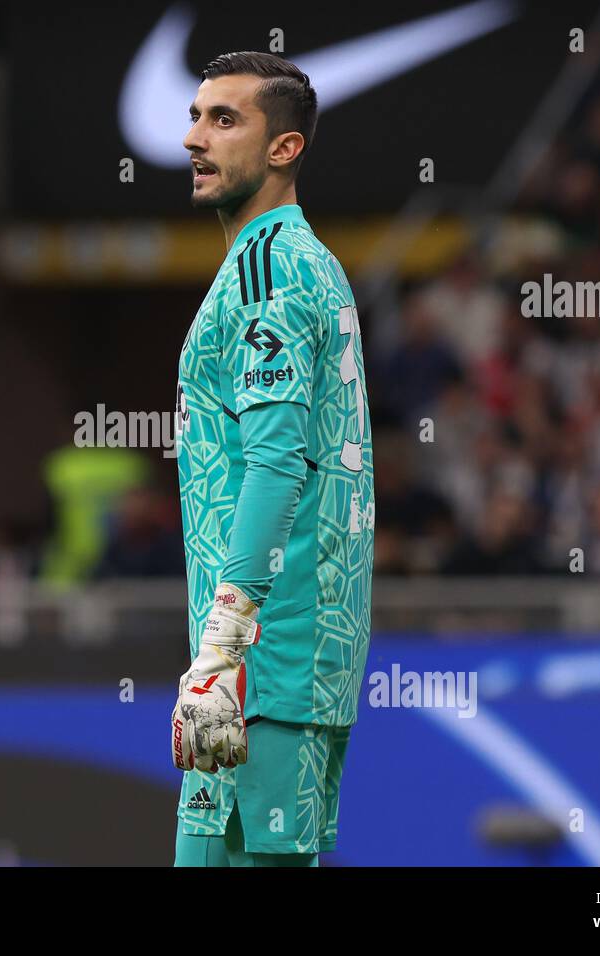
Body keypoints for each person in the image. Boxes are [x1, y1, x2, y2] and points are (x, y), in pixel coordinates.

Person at [171, 52, 373, 867]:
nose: (194, 139)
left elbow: (278, 461)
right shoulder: (304, 263)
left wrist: (221, 648)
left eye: (225, 121)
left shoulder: (268, 267)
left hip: (265, 659)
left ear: (284, 148)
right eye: (194, 117)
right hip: (283, 655)